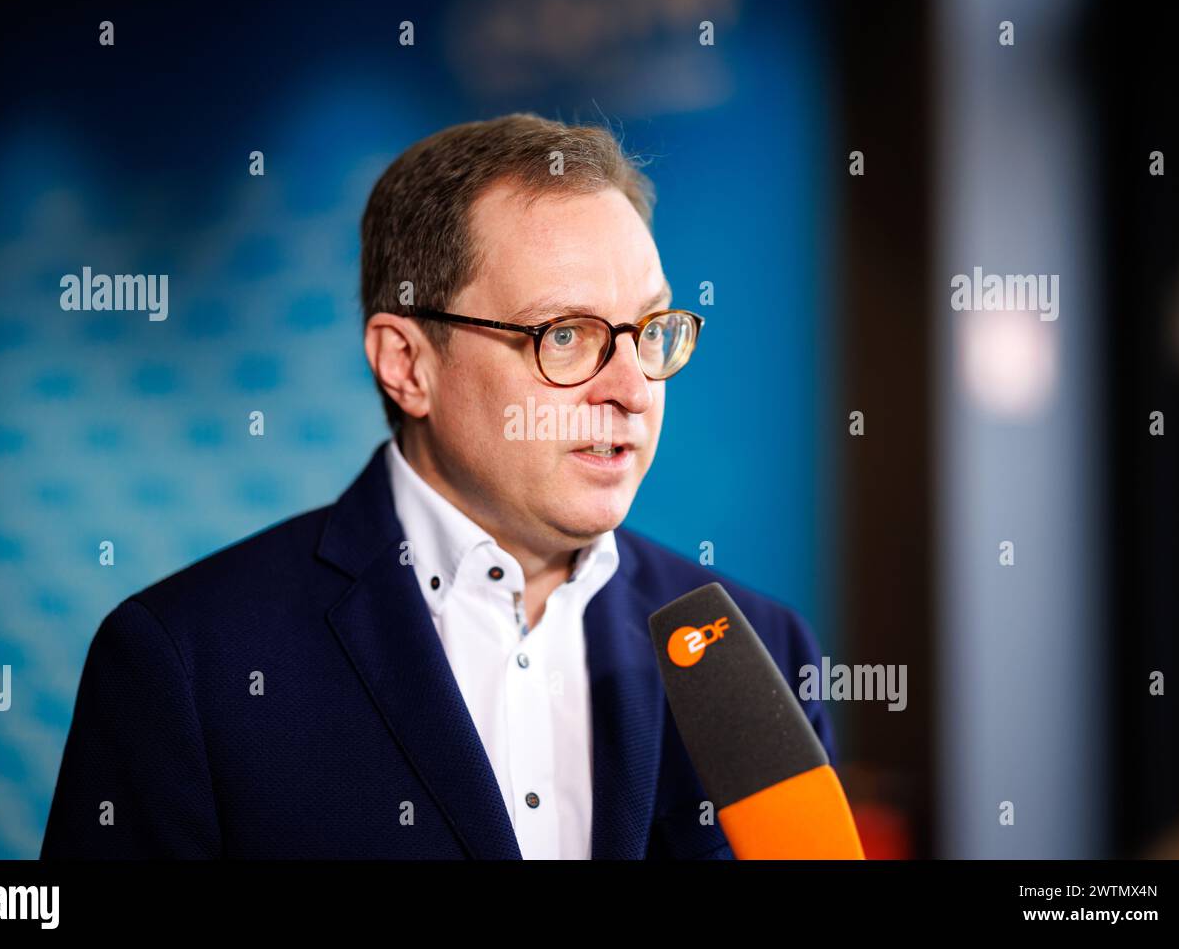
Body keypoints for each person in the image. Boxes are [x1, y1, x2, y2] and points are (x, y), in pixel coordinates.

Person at [41, 113, 836, 859]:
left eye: (651, 330)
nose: (632, 387)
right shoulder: (187, 663)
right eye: (565, 334)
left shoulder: (759, 650)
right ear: (407, 364)